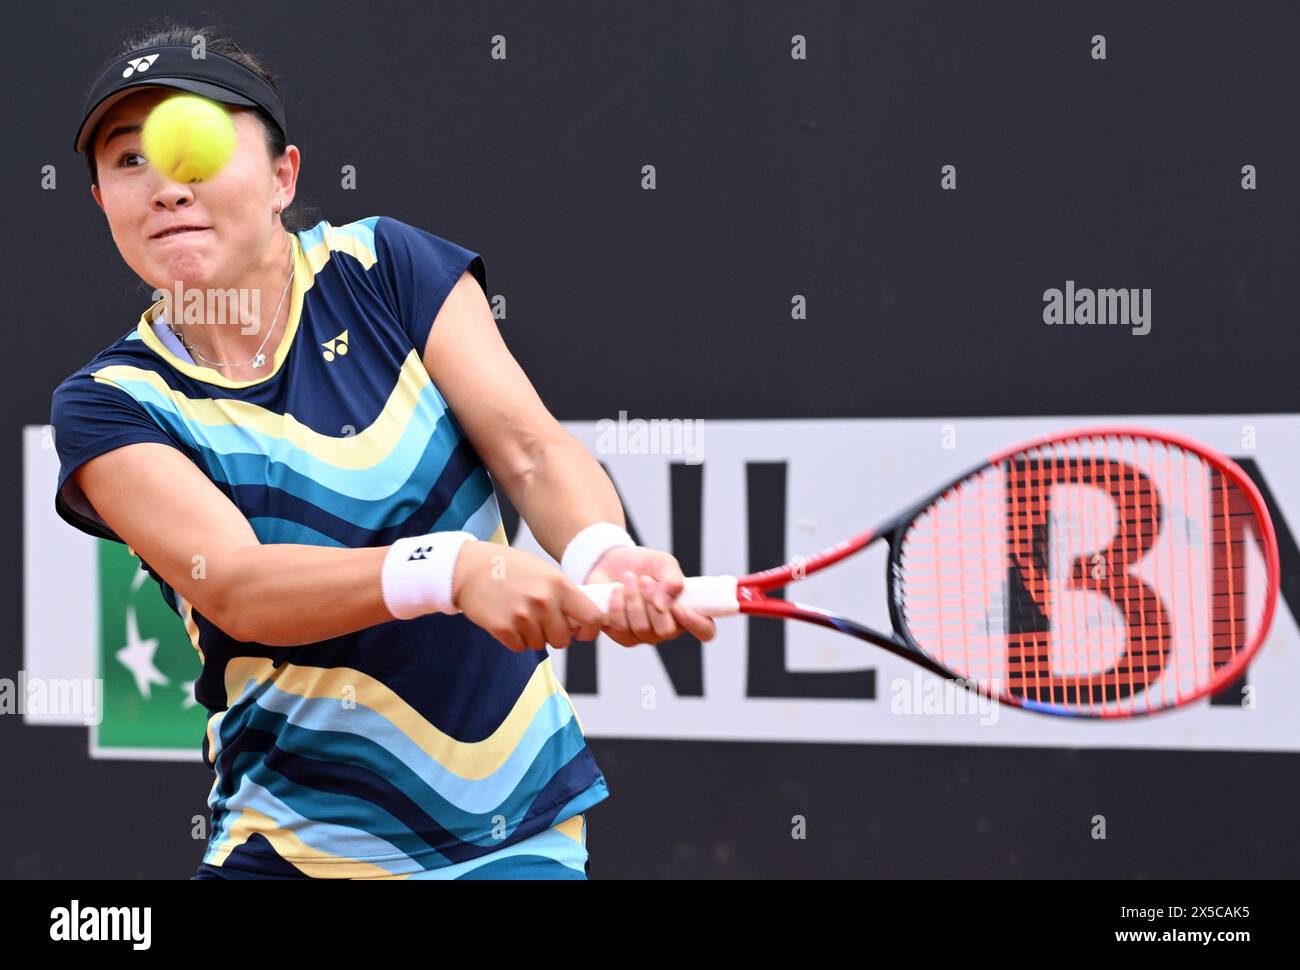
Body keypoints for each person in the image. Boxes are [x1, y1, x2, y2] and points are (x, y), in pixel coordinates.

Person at [53, 21, 715, 880]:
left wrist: (604, 551)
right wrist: (453, 570)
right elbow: (242, 588)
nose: (164, 186)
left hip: (508, 838)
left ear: (284, 176)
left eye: (197, 144)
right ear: (102, 200)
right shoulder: (110, 405)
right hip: (285, 848)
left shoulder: (385, 268)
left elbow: (530, 450)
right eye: (127, 160)